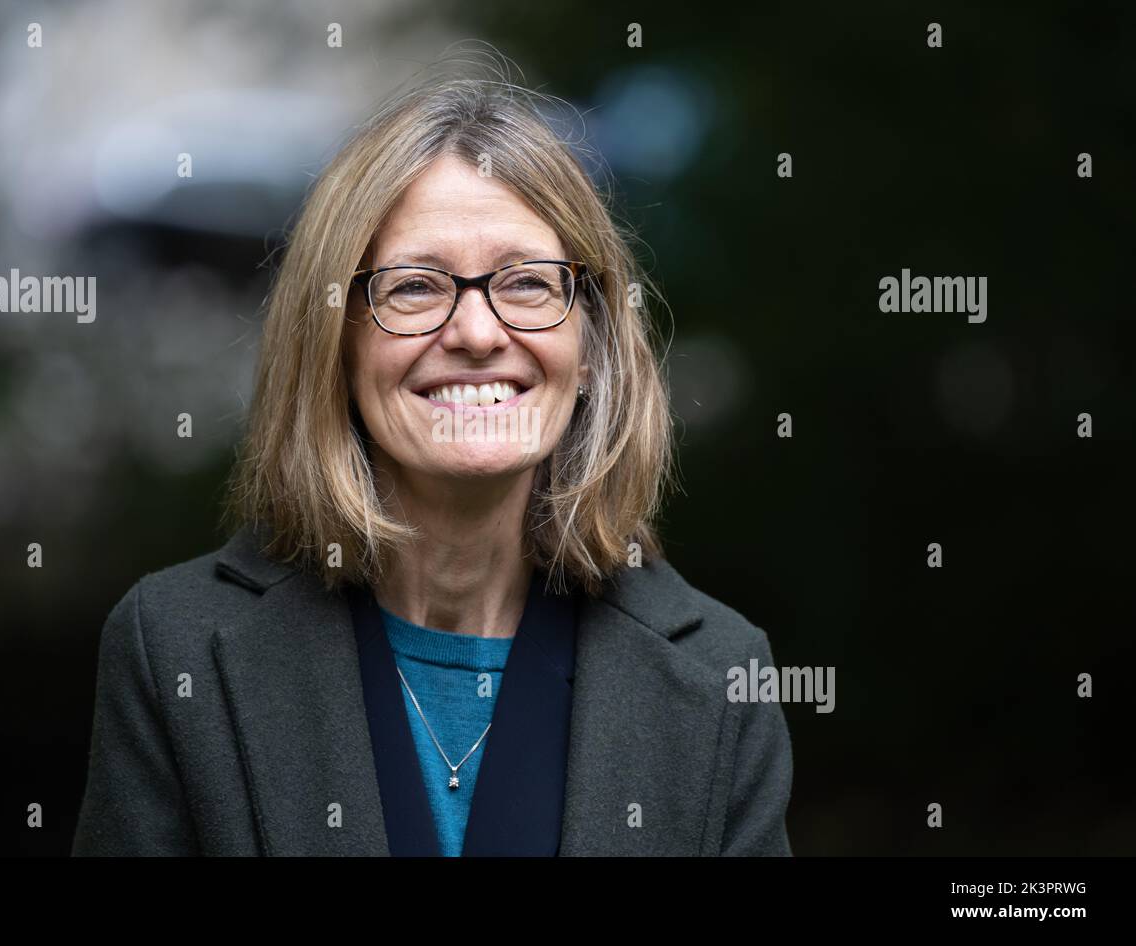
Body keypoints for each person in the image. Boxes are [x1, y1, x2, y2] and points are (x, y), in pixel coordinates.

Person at [71, 56, 793, 857]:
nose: (479, 334)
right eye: (414, 287)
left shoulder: (722, 674)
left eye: (526, 283)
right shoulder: (175, 649)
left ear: (589, 341)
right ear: (333, 342)